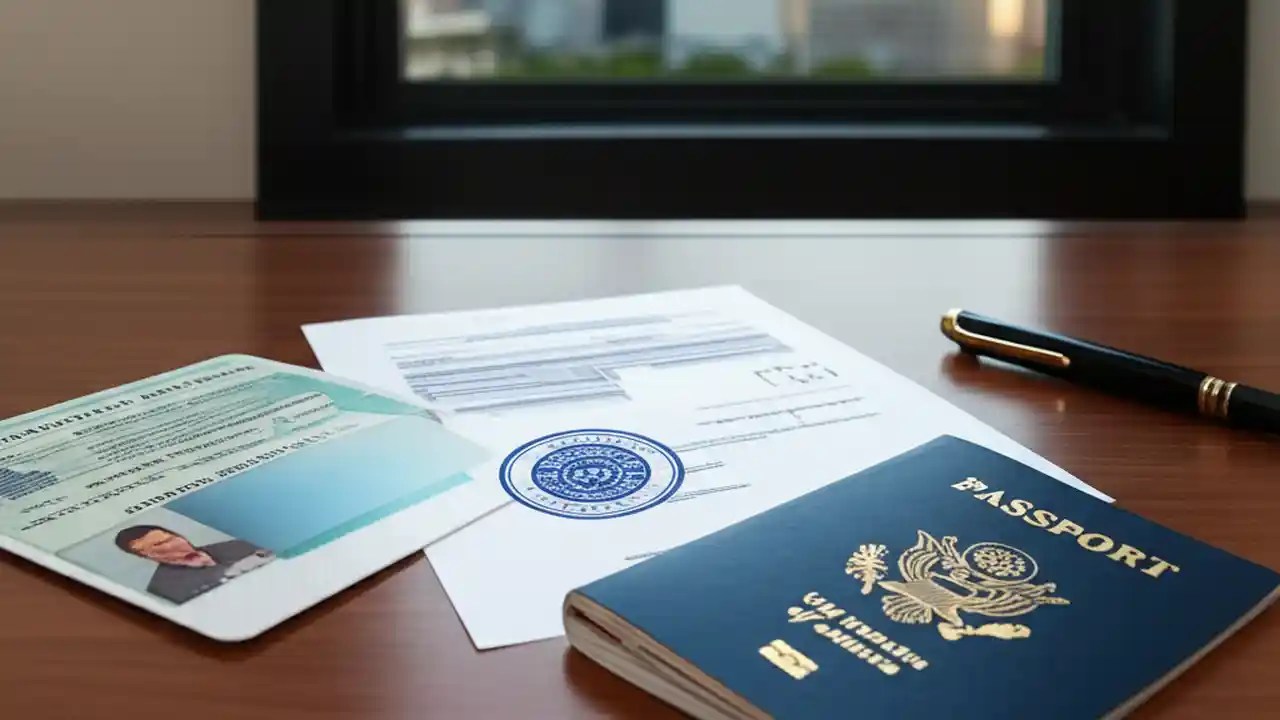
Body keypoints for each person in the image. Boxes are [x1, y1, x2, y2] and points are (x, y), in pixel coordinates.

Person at [114, 525, 273, 604]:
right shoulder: (163, 589)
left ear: (180, 536)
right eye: (156, 549)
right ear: (144, 557)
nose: (170, 549)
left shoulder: (241, 544)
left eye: (168, 541)